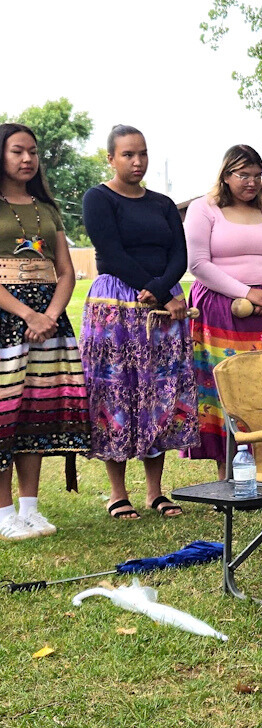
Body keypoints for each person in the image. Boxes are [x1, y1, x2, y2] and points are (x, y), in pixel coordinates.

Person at [81, 125, 199, 520]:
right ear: (111, 158)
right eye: (128, 154)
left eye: (143, 153)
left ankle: (155, 492)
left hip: (162, 308)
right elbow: (110, 253)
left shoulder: (164, 203)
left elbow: (179, 255)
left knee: (160, 391)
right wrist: (156, 289)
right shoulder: (98, 198)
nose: (137, 161)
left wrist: (164, 290)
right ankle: (118, 493)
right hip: (116, 304)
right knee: (115, 392)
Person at [0, 123, 90, 540]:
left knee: (37, 411)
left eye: (32, 152)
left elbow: (66, 271)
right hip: (7, 319)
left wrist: (49, 314)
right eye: (18, 151)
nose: (27, 159)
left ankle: (30, 509)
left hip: (48, 321)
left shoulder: (47, 209)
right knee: (4, 414)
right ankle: (3, 515)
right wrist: (27, 315)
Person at [184, 145, 262, 478]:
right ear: (226, 175)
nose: (251, 182)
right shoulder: (204, 209)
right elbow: (198, 263)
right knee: (224, 390)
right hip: (220, 311)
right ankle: (227, 472)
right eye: (243, 175)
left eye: (257, 175)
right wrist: (247, 293)